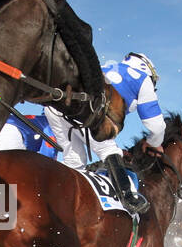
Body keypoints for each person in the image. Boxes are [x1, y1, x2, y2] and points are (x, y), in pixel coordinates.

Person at [45, 52, 163, 215]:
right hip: (86, 110)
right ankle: (128, 198)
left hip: (57, 107)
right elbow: (156, 125)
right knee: (109, 150)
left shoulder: (108, 67)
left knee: (74, 159)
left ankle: (59, 201)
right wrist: (155, 143)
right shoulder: (143, 79)